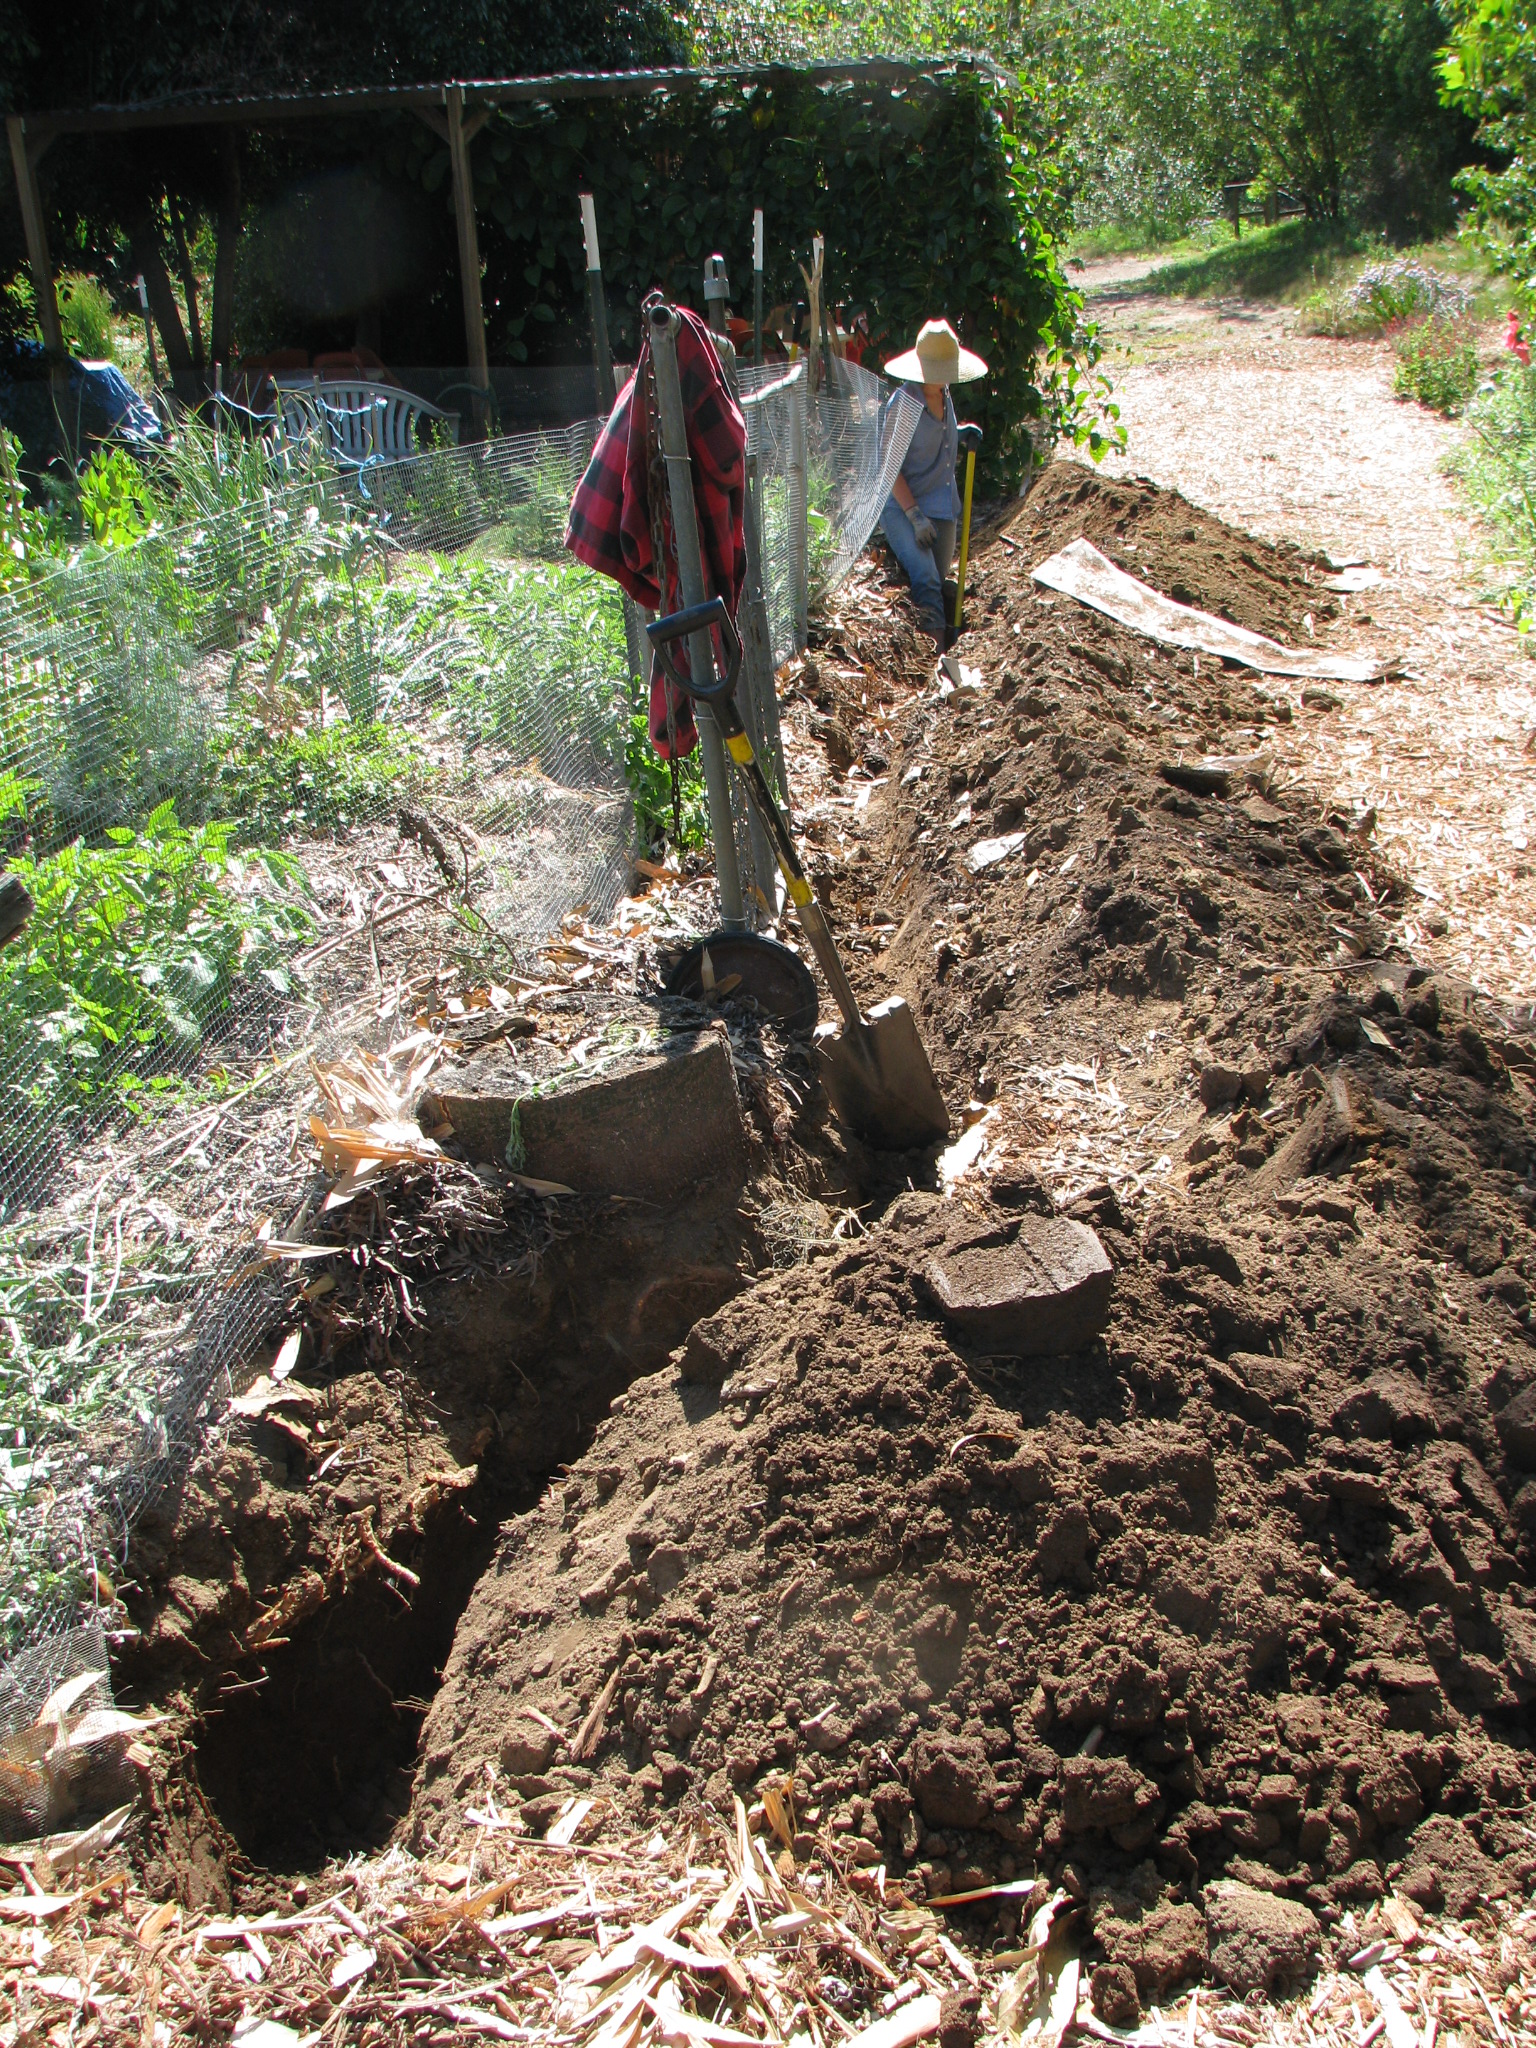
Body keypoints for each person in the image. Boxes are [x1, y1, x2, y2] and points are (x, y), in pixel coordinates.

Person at [879, 318, 987, 646]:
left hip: (940, 503)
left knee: (938, 579)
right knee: (926, 578)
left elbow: (937, 438)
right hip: (902, 504)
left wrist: (961, 431)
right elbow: (888, 467)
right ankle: (933, 657)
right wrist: (913, 516)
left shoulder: (944, 393)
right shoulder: (905, 404)